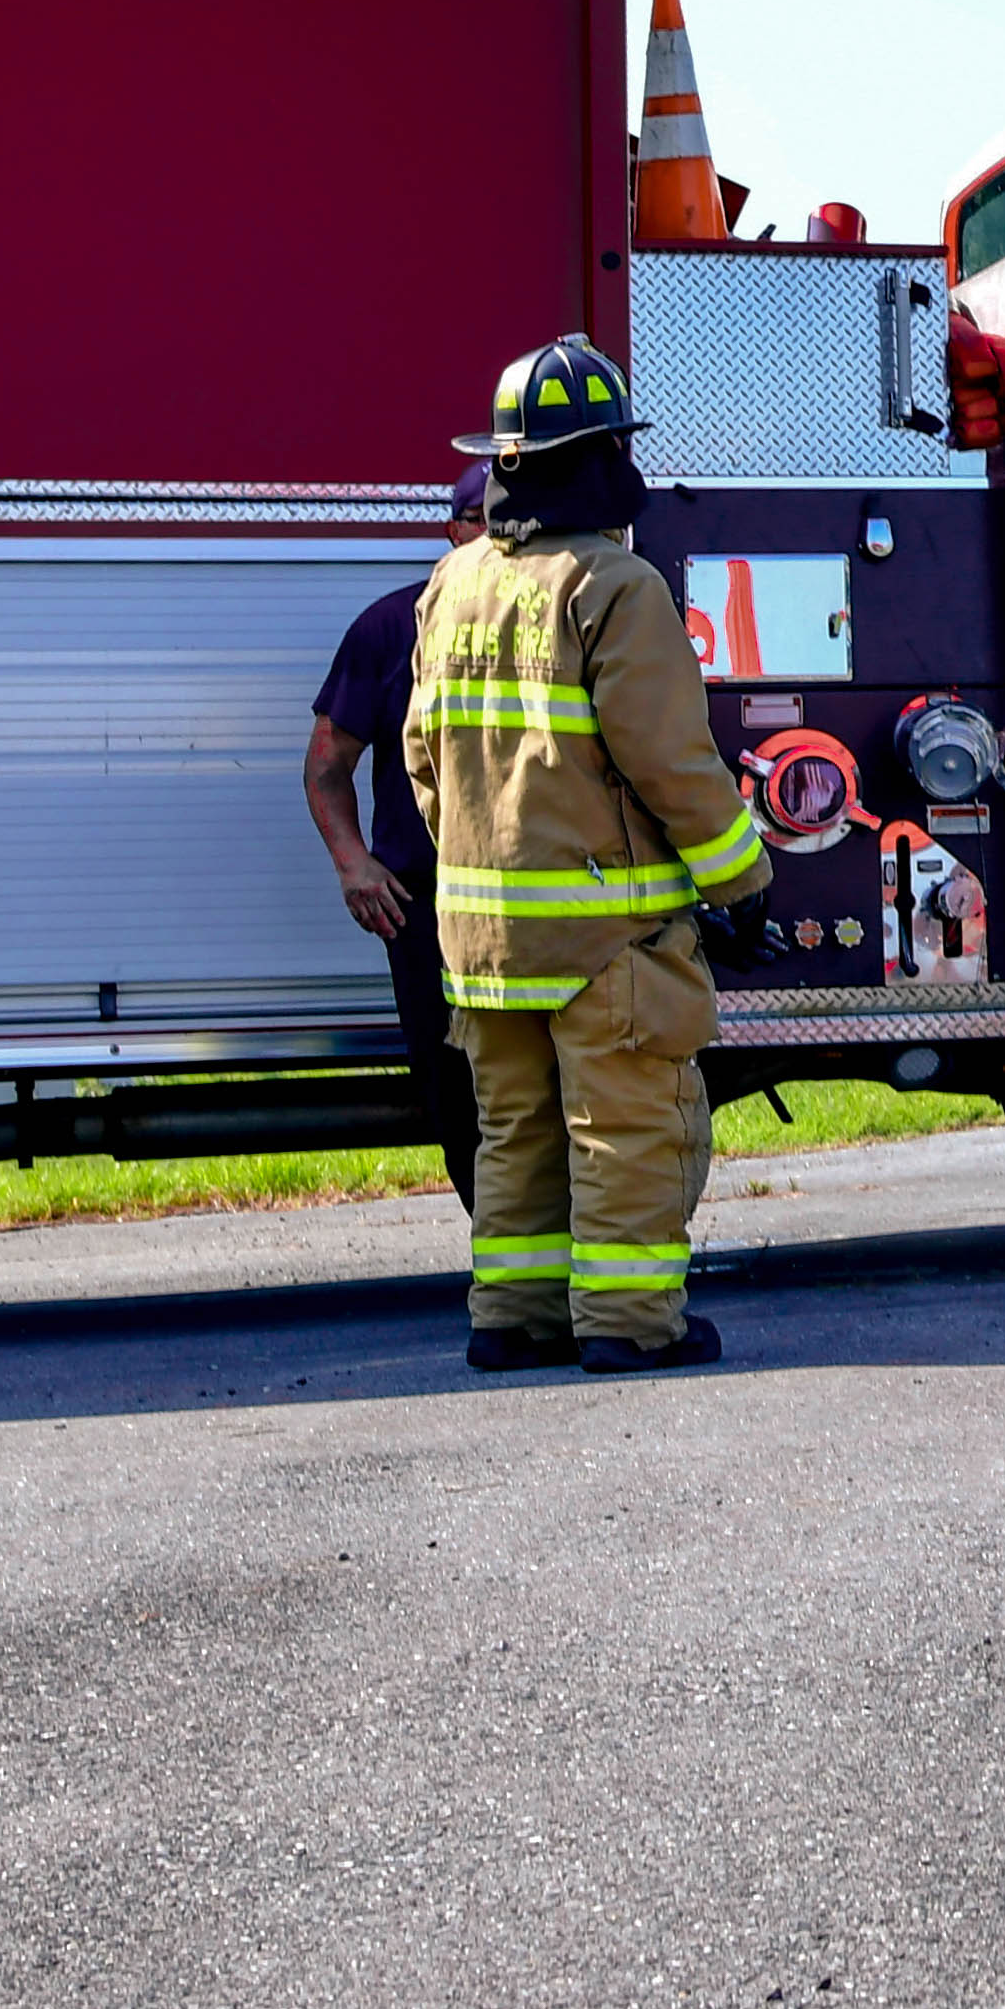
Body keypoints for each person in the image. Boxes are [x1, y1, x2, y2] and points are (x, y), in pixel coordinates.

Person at [404, 337, 772, 1376]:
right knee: (625, 1126)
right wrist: (741, 878)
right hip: (606, 935)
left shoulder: (454, 581)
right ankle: (630, 1322)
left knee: (515, 1130)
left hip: (482, 937)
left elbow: (424, 756)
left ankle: (513, 1315)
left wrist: (478, 870)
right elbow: (671, 760)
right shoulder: (616, 585)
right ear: (602, 456)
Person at [304, 464, 492, 1205]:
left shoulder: (565, 623)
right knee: (457, 1099)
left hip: (545, 907)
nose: (494, 537)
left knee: (554, 1099)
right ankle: (509, 1258)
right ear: (451, 531)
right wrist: (354, 864)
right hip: (426, 910)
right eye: (479, 520)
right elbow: (326, 767)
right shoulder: (389, 629)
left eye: (509, 522)